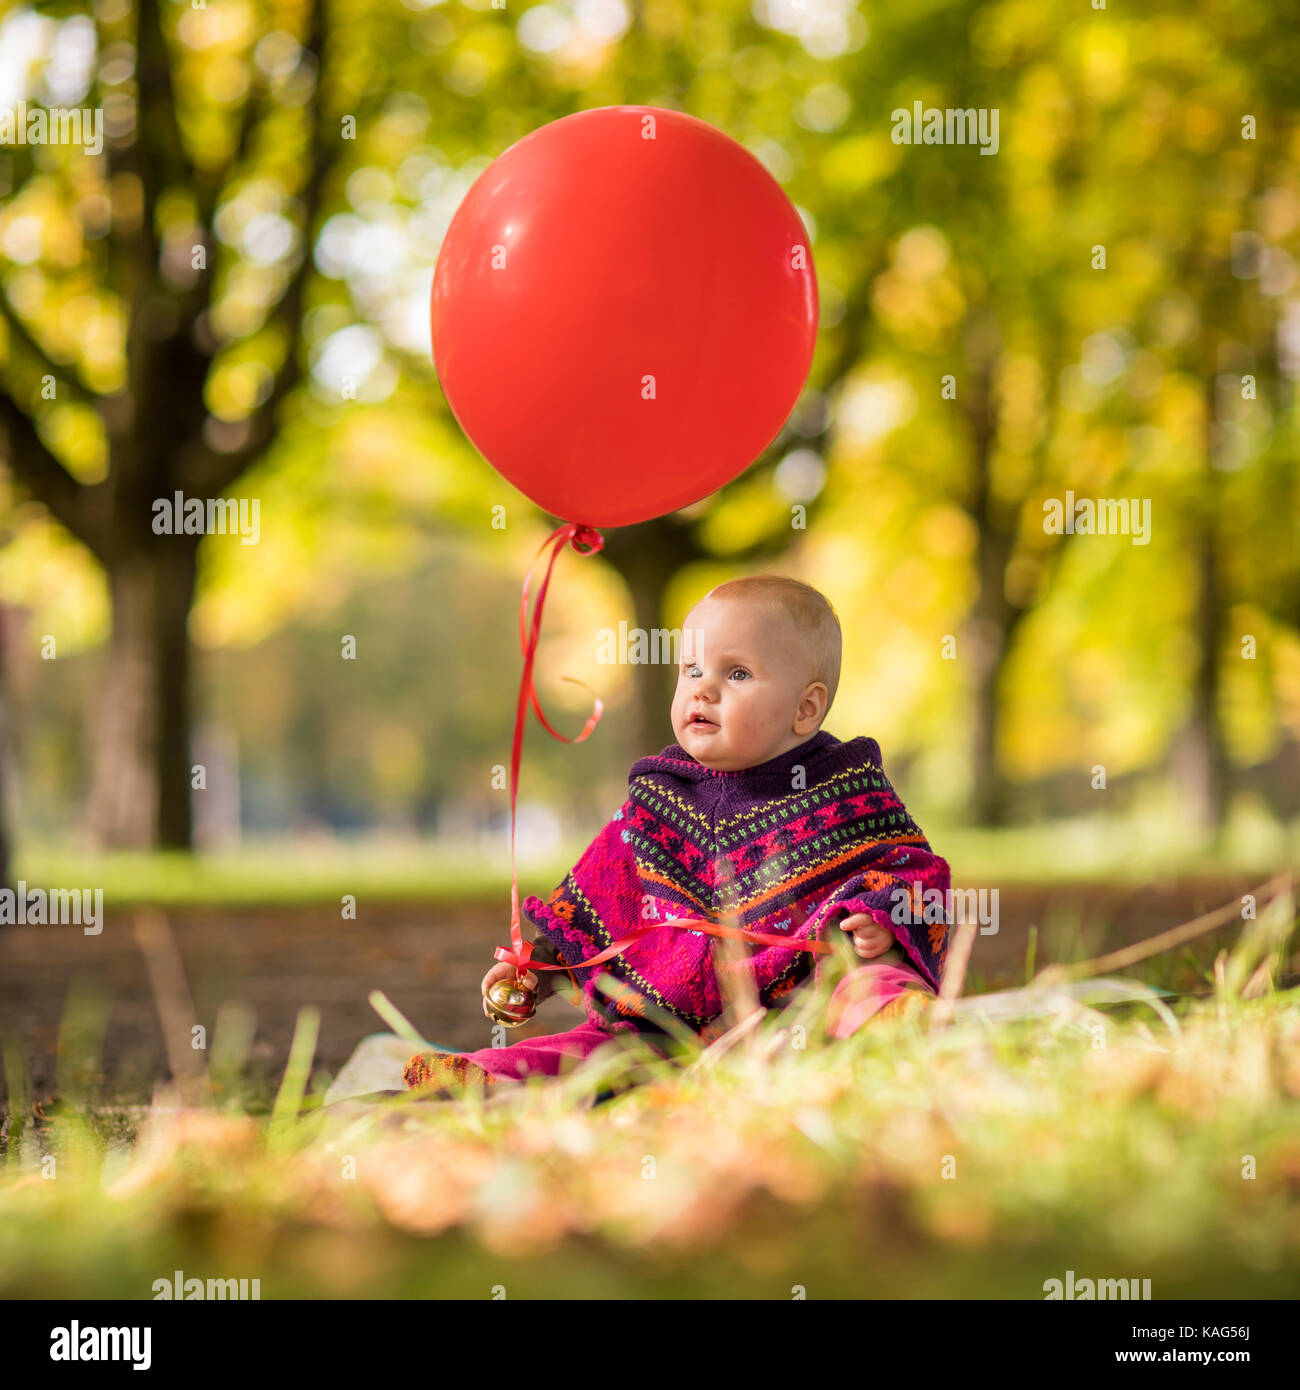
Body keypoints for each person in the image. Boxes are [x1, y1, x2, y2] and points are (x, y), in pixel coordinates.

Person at [399, 575, 950, 1097]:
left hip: (797, 1008)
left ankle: (894, 1027)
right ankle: (488, 1077)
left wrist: (882, 919)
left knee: (865, 988)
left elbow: (909, 871)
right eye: (691, 670)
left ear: (805, 708)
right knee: (590, 1053)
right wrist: (539, 965)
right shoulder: (660, 801)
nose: (703, 689)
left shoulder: (840, 788)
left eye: (736, 674)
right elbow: (594, 900)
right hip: (665, 1024)